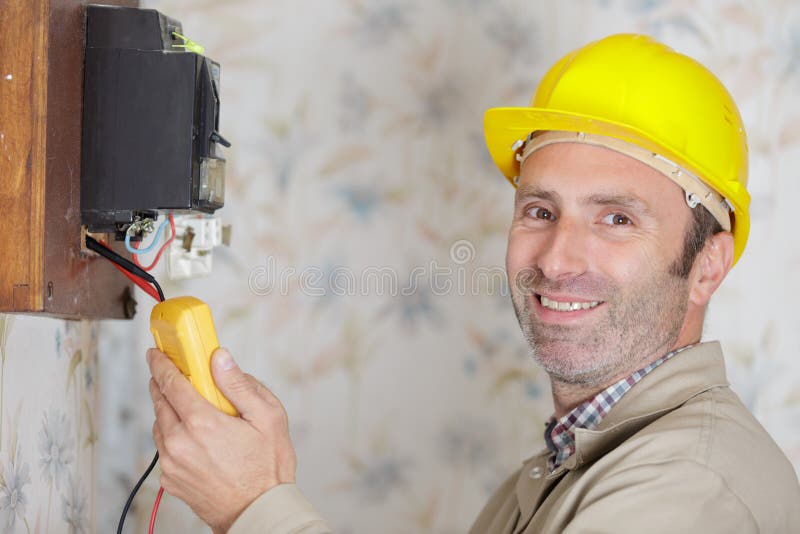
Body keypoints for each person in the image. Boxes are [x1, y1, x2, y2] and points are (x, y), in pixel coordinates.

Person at [145, 34, 800, 533]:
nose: (557, 258)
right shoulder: (566, 467)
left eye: (617, 218)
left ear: (708, 265)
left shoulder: (687, 489)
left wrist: (256, 506)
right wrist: (263, 488)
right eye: (540, 211)